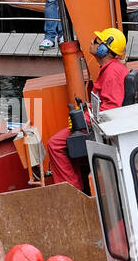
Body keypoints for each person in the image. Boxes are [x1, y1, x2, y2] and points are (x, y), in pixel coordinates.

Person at [47, 28, 128, 190]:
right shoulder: (111, 69)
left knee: (55, 144)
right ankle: (77, 186)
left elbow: (111, 108)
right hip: (99, 127)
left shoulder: (112, 73)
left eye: (96, 41)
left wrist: (84, 120)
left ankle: (71, 193)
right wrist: (86, 109)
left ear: (105, 49)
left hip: (102, 131)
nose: (92, 42)